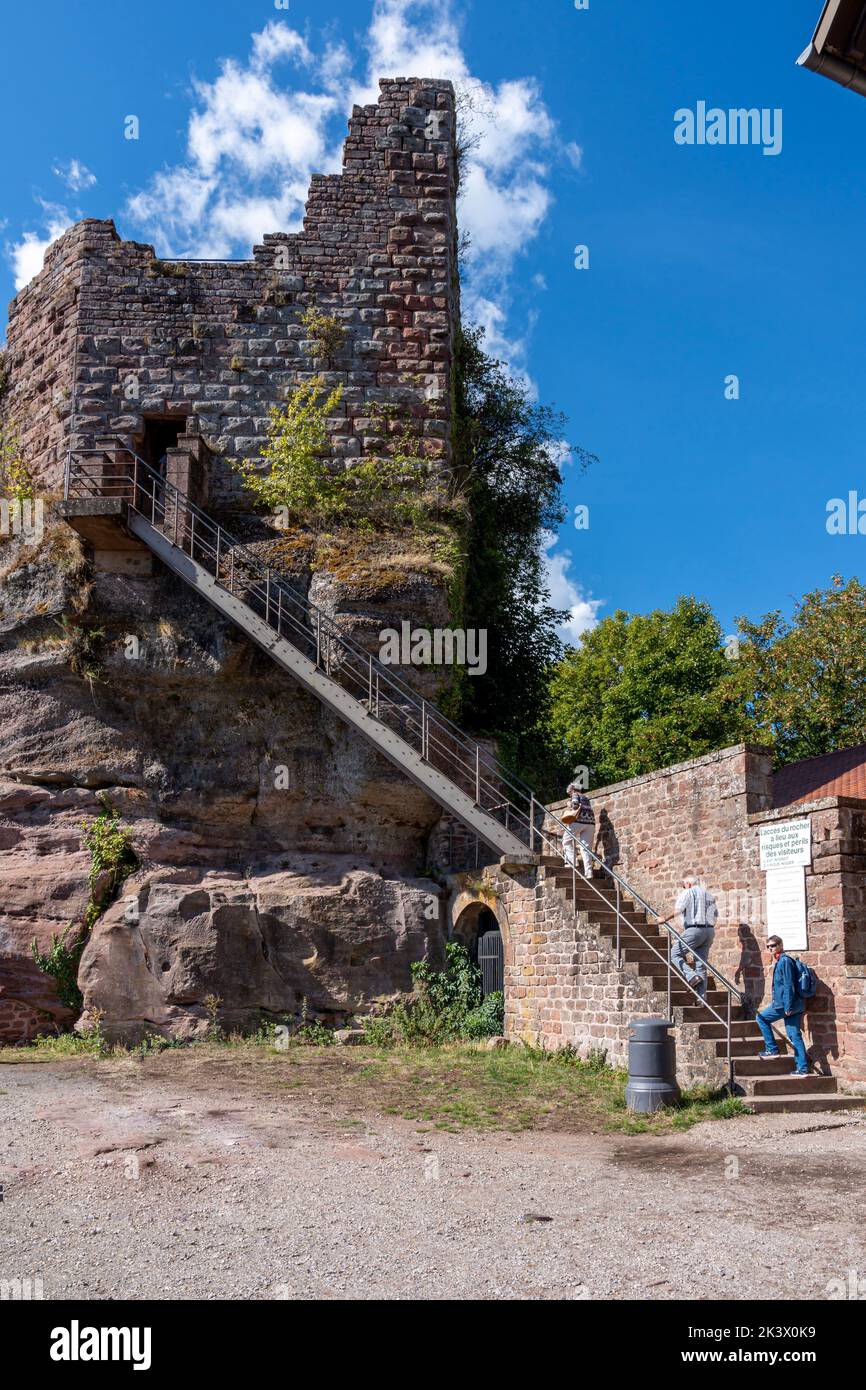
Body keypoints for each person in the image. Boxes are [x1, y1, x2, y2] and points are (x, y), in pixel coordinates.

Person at [658, 874, 718, 1000]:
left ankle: (691, 976)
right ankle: (701, 999)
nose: (683, 887)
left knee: (673, 954)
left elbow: (678, 910)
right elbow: (715, 915)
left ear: (689, 884)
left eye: (683, 885)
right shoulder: (709, 895)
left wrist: (664, 919)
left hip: (694, 930)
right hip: (709, 931)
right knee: (701, 964)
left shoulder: (688, 892)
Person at [756, 935, 809, 1076]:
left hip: (785, 1004)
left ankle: (772, 1049)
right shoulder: (782, 960)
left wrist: (787, 1006)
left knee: (761, 1018)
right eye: (768, 946)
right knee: (794, 1035)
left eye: (772, 945)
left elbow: (788, 984)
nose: (770, 949)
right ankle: (802, 1069)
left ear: (780, 945)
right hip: (794, 1004)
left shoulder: (784, 961)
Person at [562, 775, 596, 876]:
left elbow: (575, 805)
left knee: (566, 840)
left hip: (579, 821)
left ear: (572, 790)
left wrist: (569, 804)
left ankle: (573, 861)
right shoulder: (586, 797)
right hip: (590, 823)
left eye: (569, 794)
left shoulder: (575, 795)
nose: (569, 795)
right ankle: (589, 872)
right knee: (586, 848)